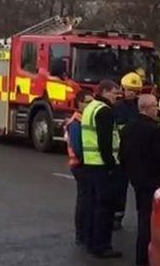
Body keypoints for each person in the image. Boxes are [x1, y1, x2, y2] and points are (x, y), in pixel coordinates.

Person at [119, 94, 160, 266]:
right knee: (149, 222)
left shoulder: (128, 128)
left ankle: (140, 258)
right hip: (153, 181)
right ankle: (146, 259)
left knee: (143, 217)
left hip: (137, 180)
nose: (158, 109)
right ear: (147, 108)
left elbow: (123, 155)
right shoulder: (154, 130)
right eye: (155, 106)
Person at [81, 79, 124, 259]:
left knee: (93, 206)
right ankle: (102, 246)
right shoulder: (104, 111)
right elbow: (105, 142)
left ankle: (90, 242)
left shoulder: (90, 107)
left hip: (90, 163)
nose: (117, 96)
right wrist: (111, 165)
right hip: (102, 166)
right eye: (114, 92)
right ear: (105, 91)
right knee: (105, 208)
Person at [110, 71, 143, 229]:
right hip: (122, 153)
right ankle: (117, 216)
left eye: (134, 91)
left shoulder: (139, 106)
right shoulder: (117, 107)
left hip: (136, 154)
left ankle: (142, 215)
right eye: (129, 90)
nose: (131, 93)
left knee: (140, 188)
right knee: (119, 187)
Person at [66, 91, 94, 247]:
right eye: (88, 102)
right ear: (80, 103)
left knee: (87, 199)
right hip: (80, 165)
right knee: (84, 200)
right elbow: (78, 147)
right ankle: (81, 234)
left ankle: (84, 233)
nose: (91, 105)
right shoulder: (76, 122)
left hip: (82, 164)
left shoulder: (83, 119)